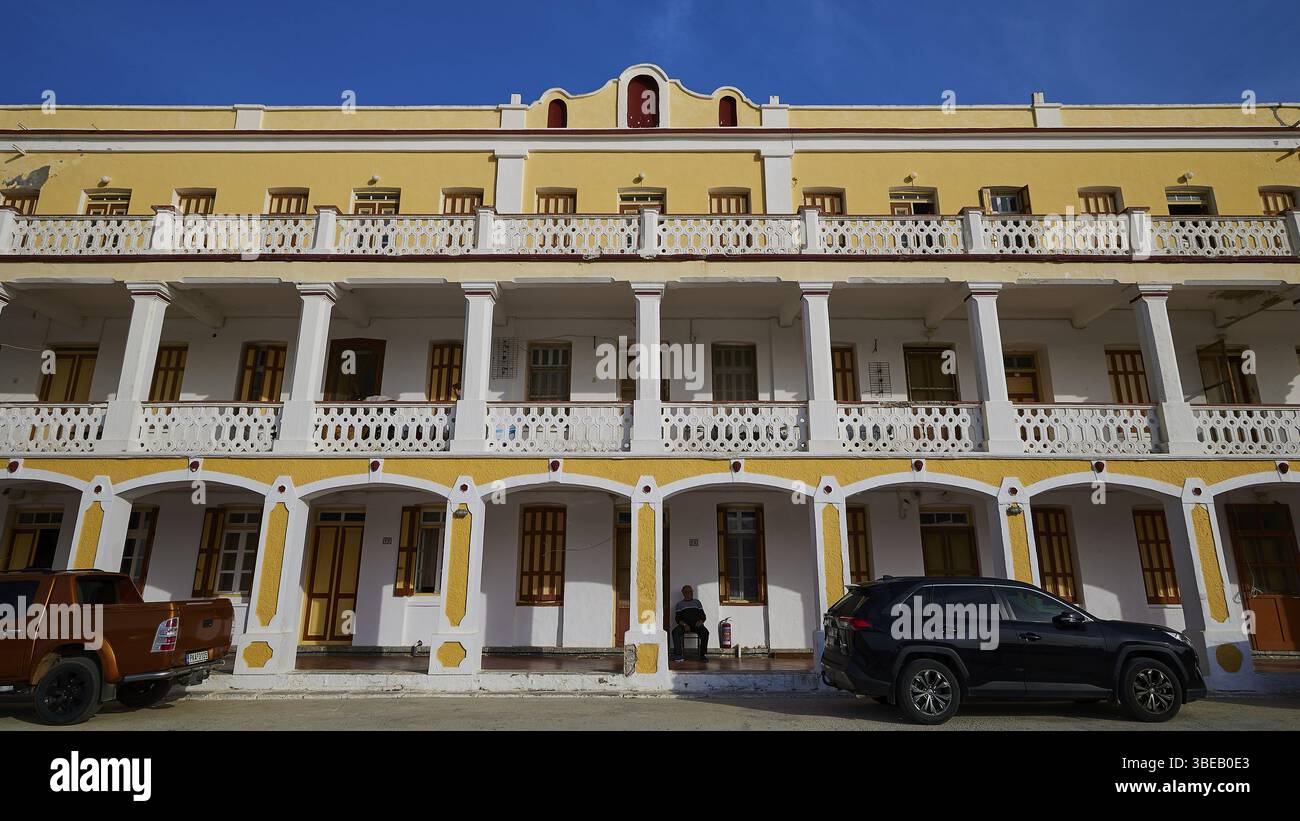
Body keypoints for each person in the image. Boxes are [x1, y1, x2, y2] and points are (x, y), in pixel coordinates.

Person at [671, 585, 709, 662]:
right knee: (675, 632)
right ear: (683, 593)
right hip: (685, 625)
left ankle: (703, 655)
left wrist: (700, 622)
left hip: (696, 625)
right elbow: (677, 619)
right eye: (687, 592)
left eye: (691, 591)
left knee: (705, 632)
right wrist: (684, 625)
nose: (689, 593)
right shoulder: (679, 604)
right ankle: (678, 655)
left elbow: (703, 616)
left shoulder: (697, 602)